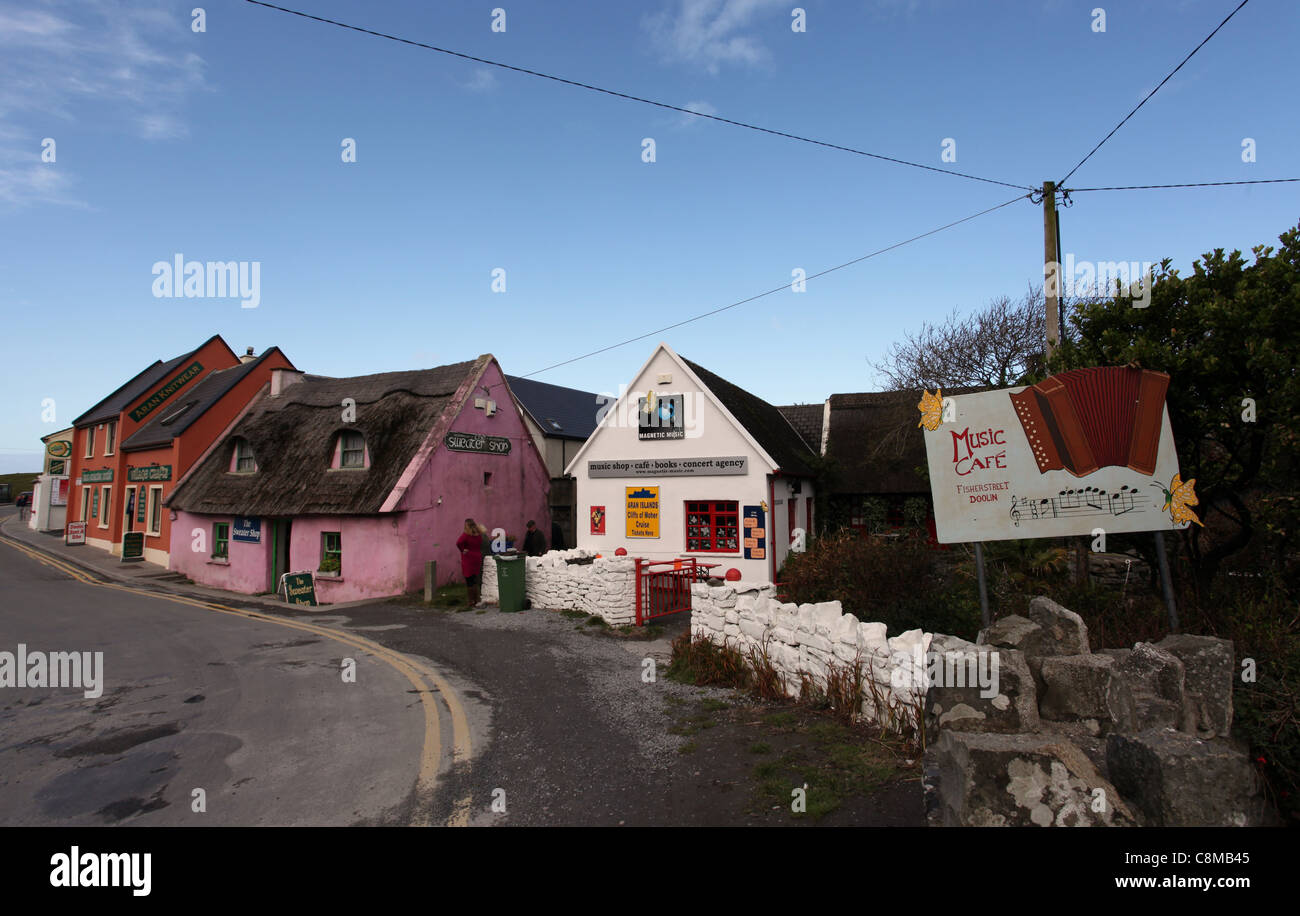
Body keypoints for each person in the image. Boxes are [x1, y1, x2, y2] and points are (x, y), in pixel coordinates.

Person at [457, 518, 484, 607]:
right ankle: (476, 600)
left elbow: (458, 542)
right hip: (477, 557)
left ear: (466, 525)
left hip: (468, 558)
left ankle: (471, 601)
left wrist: (462, 550)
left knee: (469, 579)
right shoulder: (479, 534)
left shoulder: (466, 535)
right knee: (474, 579)